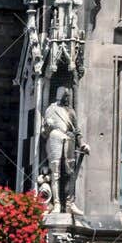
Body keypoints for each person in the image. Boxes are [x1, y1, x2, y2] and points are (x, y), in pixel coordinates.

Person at [41, 86, 87, 214]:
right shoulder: (51, 109)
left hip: (69, 139)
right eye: (65, 96)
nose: (68, 99)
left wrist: (82, 144)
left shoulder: (71, 112)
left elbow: (77, 130)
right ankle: (56, 203)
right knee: (55, 172)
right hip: (54, 138)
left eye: (69, 97)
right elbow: (43, 133)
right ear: (60, 95)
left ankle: (69, 203)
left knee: (69, 172)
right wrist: (46, 126)